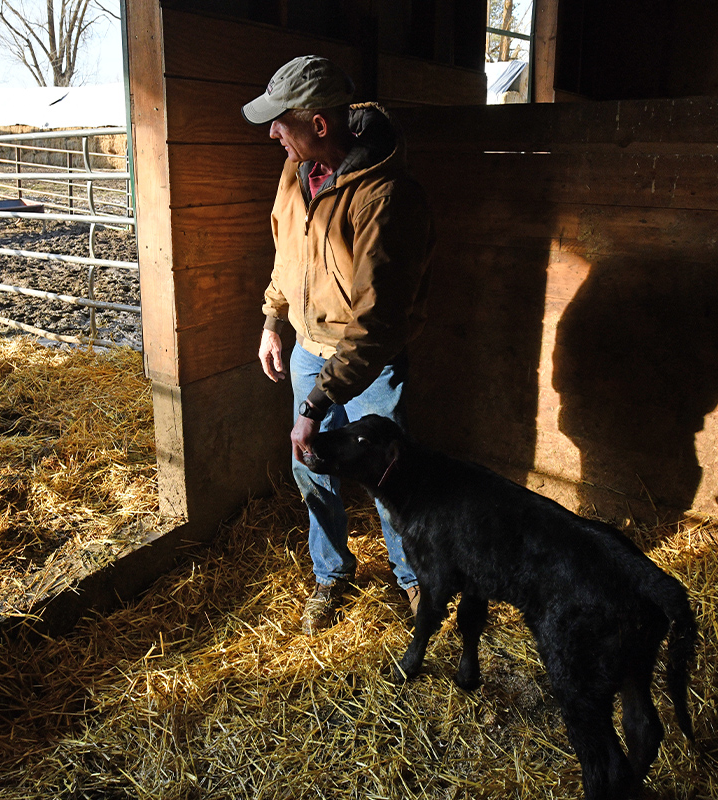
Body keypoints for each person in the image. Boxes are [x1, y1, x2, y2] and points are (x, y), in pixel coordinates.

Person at [242, 55, 437, 634]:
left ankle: (412, 581)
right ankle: (331, 575)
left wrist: (313, 406)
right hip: (308, 347)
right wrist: (273, 321)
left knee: (388, 474)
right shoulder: (296, 174)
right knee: (311, 471)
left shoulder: (387, 198)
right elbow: (287, 257)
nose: (272, 132)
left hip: (369, 364)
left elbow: (376, 326)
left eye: (281, 121)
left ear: (319, 124)